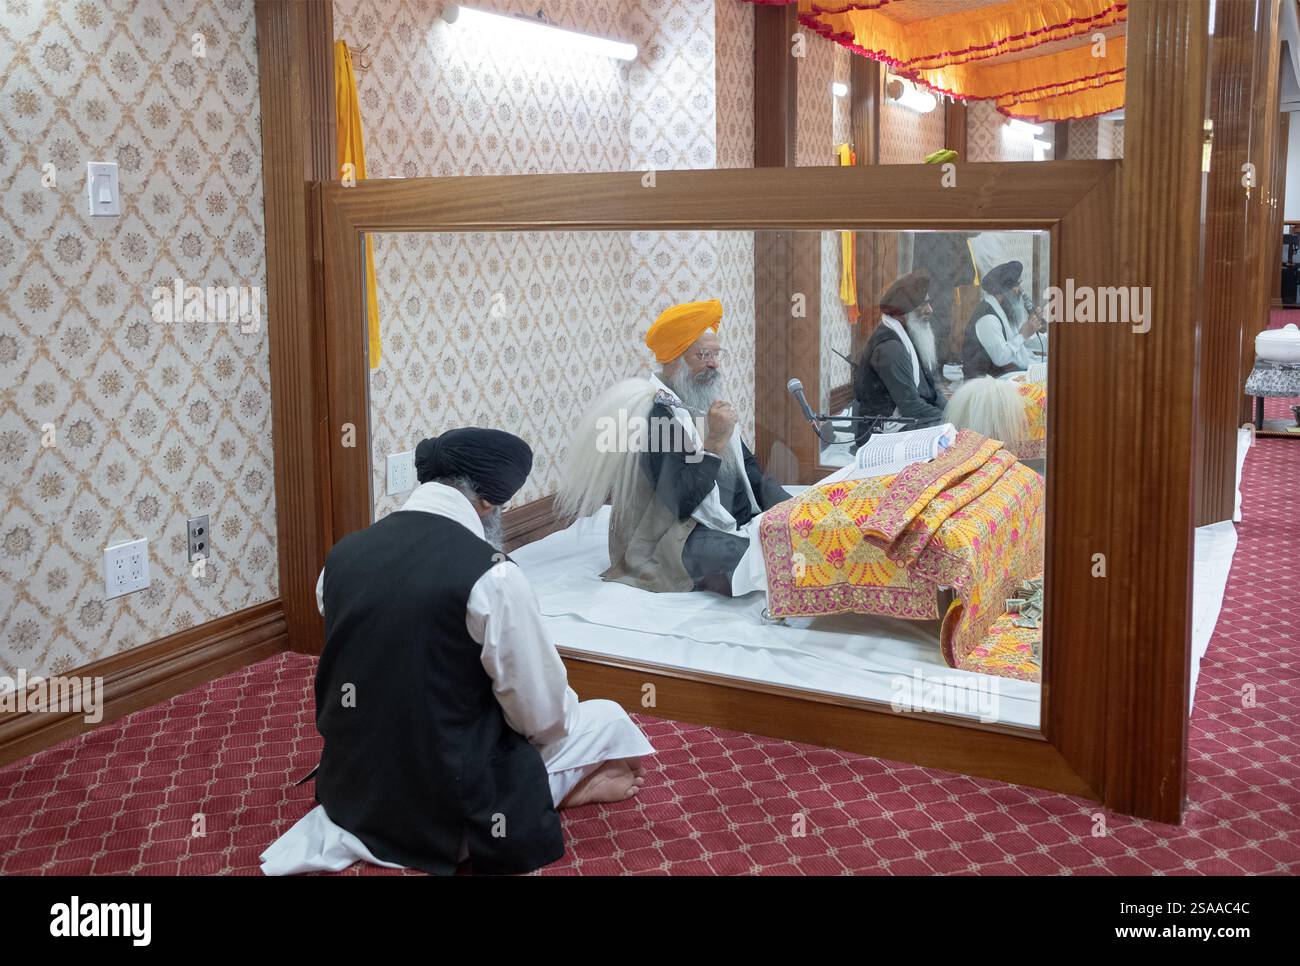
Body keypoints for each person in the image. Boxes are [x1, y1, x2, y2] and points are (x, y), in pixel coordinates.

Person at [260, 428, 654, 876]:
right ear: (487, 503)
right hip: (448, 809)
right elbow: (544, 719)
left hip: (352, 787)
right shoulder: (494, 577)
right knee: (604, 718)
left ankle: (547, 786)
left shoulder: (341, 557)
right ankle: (548, 791)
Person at [557, 299, 789, 596]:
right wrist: (715, 442)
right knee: (753, 556)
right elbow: (679, 501)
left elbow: (749, 470)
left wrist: (787, 510)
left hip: (730, 517)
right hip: (674, 534)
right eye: (703, 355)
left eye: (716, 355)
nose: (714, 364)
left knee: (789, 523)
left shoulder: (701, 398)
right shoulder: (652, 415)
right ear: (674, 359)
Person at [851, 270, 947, 449]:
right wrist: (951, 418)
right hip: (880, 435)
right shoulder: (891, 348)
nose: (930, 310)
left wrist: (953, 410)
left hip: (906, 420)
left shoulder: (908, 335)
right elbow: (911, 407)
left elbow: (931, 389)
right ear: (904, 310)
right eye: (923, 304)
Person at [961, 259, 1044, 378]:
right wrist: (1023, 334)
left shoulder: (1005, 310)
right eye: (1017, 285)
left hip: (1005, 374)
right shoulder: (988, 318)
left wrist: (1033, 327)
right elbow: (1000, 358)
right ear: (1003, 291)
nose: (1021, 290)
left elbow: (1023, 342)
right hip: (986, 382)